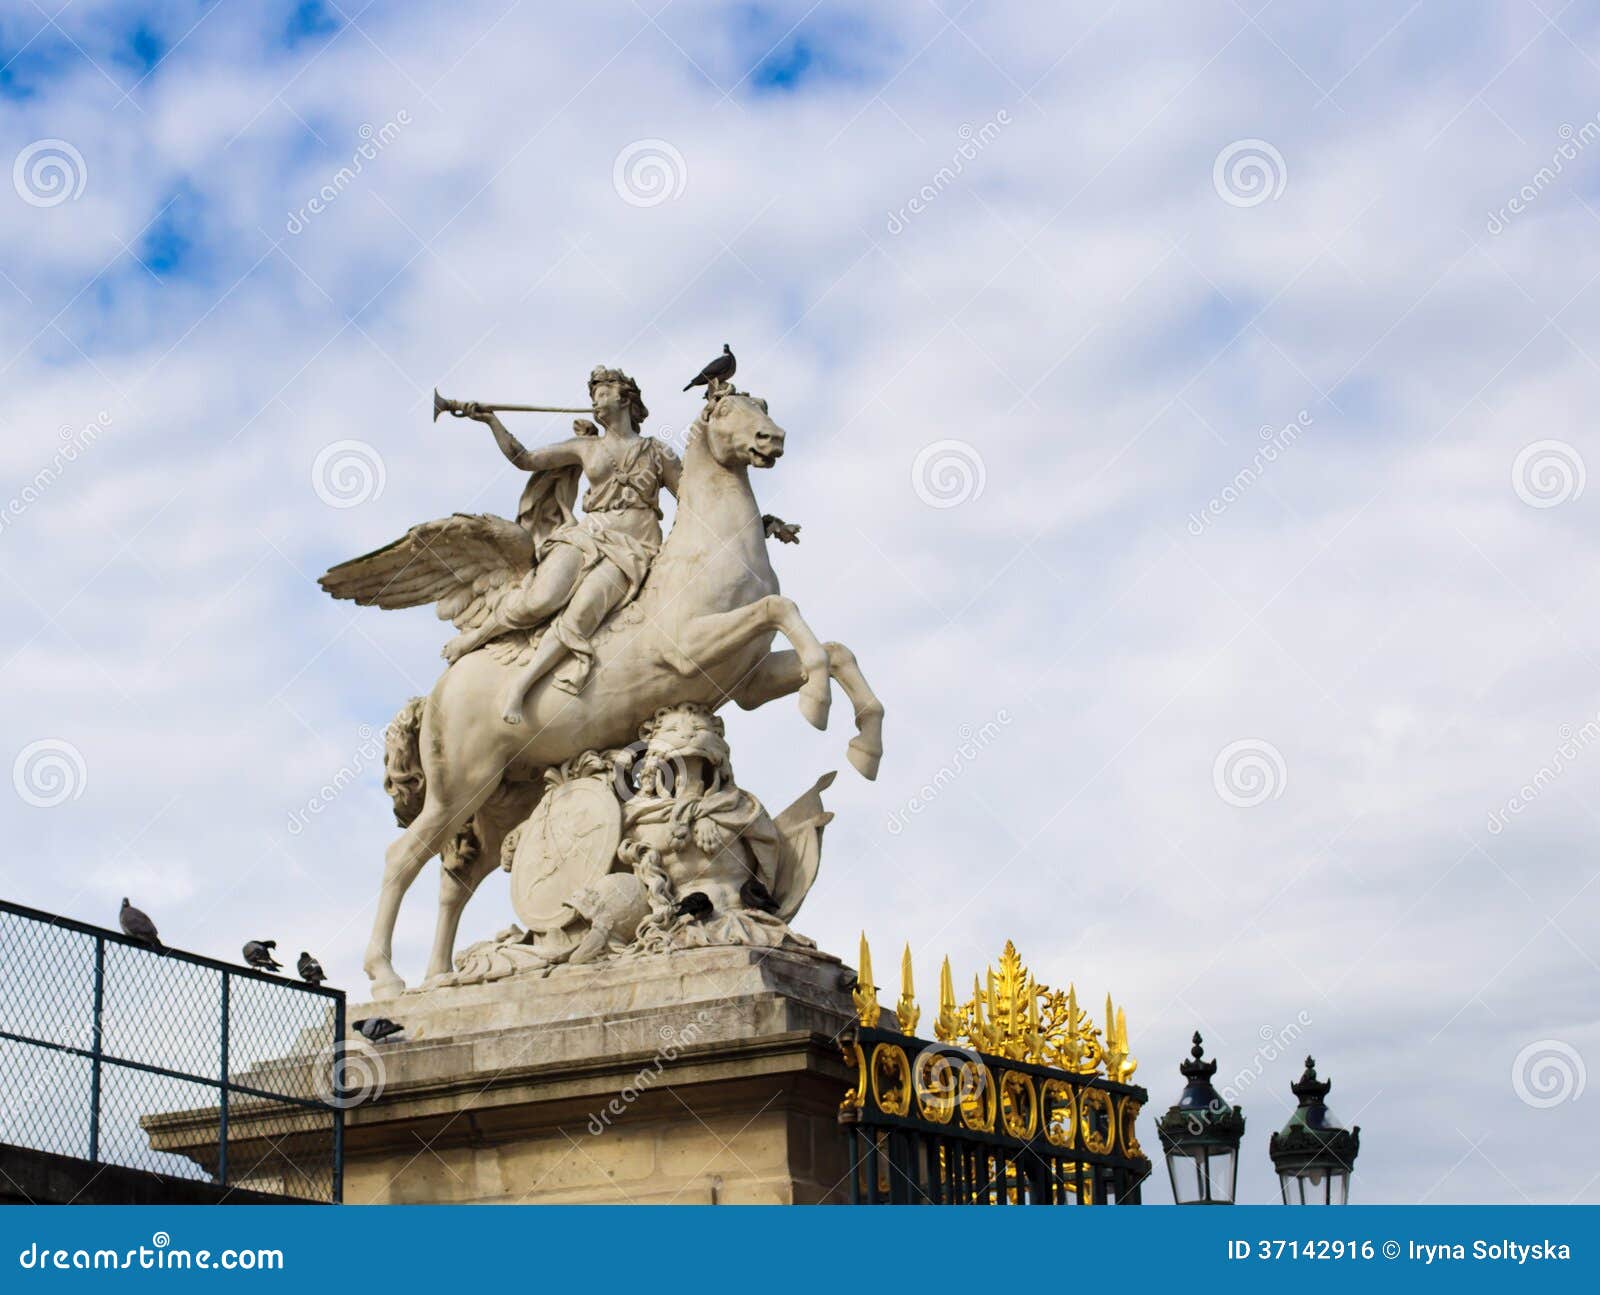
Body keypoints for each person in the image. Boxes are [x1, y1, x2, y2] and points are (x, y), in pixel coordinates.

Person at [450, 366, 681, 723]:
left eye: (601, 394)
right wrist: (491, 422)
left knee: (581, 612)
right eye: (592, 397)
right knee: (540, 599)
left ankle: (521, 686)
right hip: (589, 534)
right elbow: (524, 460)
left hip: (633, 544)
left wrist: (757, 523)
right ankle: (479, 634)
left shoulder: (656, 452)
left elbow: (693, 497)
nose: (594, 402)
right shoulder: (585, 447)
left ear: (624, 397)